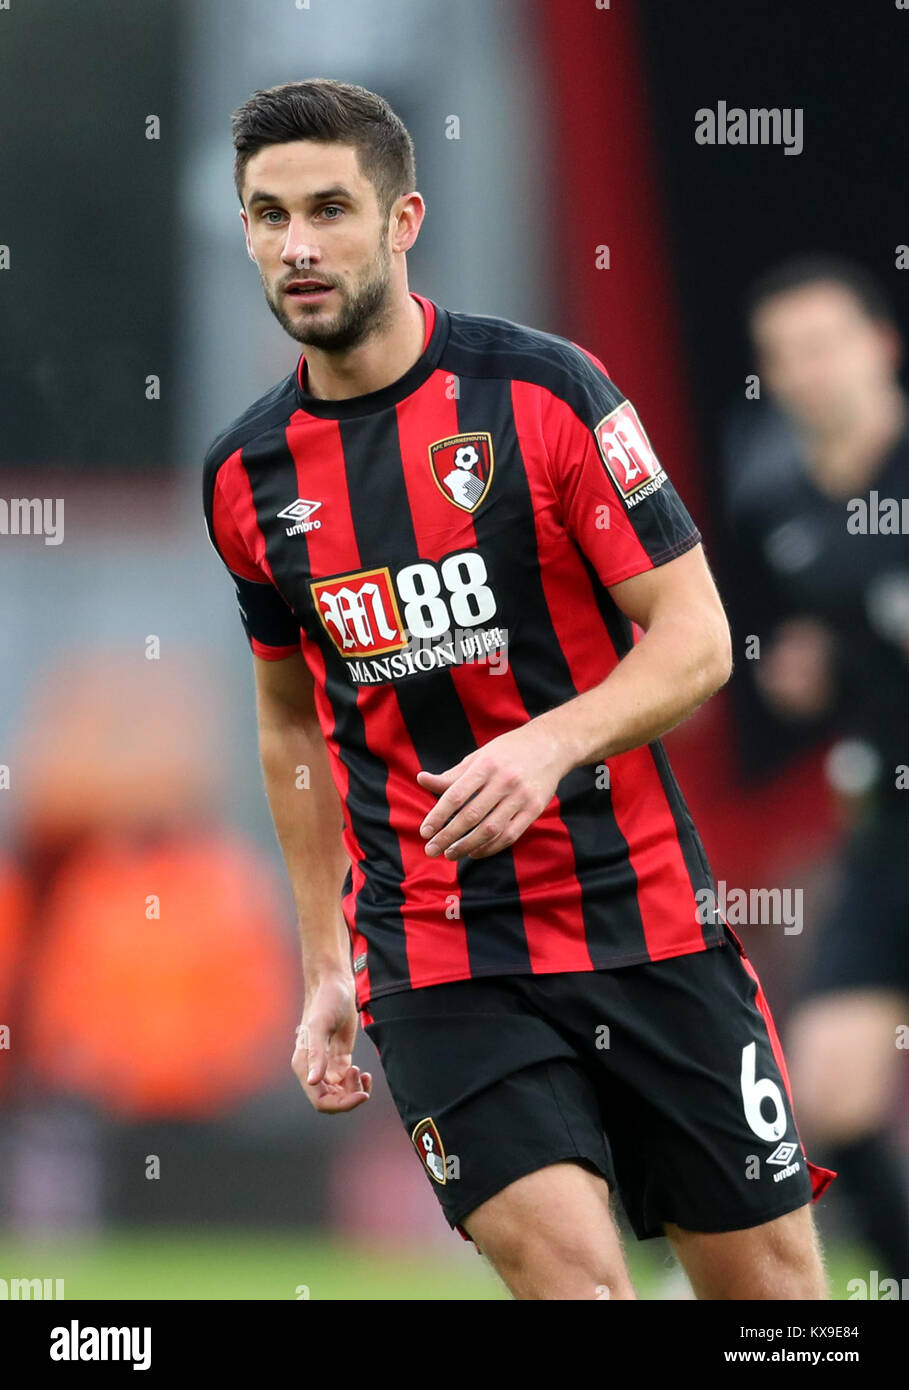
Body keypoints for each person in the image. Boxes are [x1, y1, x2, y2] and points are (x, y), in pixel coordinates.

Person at [202, 78, 834, 1300]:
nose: (298, 245)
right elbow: (288, 714)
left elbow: (697, 637)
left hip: (642, 917)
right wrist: (324, 957)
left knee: (776, 1301)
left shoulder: (543, 394)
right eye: (267, 215)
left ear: (403, 219)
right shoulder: (245, 478)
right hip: (437, 947)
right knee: (581, 1290)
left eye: (330, 208)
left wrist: (547, 746)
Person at [730, 255, 909, 1283]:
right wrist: (810, 666)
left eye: (823, 343)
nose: (802, 369)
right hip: (884, 831)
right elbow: (820, 637)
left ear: (881, 346)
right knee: (831, 1093)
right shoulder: (773, 492)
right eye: (781, 353)